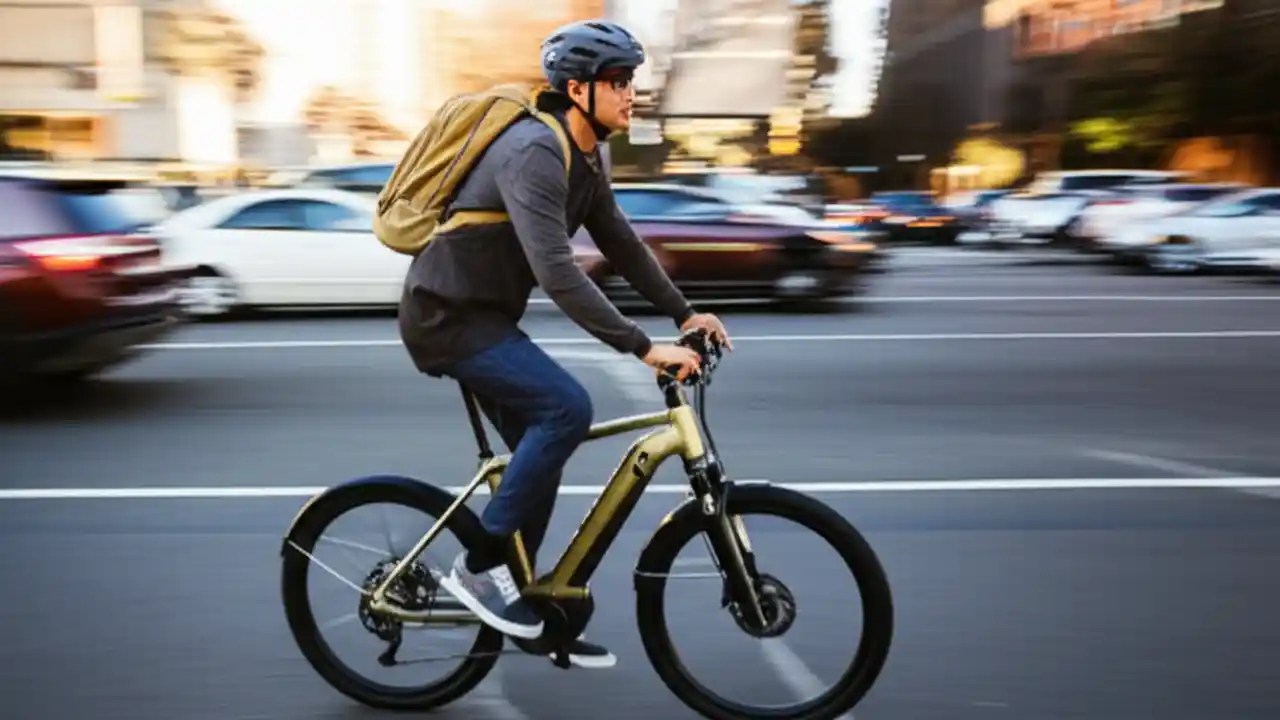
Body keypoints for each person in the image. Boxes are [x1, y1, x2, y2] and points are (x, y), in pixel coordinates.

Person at [396, 19, 731, 669]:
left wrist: (687, 314)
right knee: (566, 410)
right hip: (445, 318)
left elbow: (620, 243)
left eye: (633, 81)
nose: (631, 94)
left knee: (539, 453)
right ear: (577, 89)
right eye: (618, 82)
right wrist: (642, 347)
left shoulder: (588, 153)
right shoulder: (533, 152)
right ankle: (480, 568)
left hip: (486, 318)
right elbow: (557, 272)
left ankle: (530, 600)